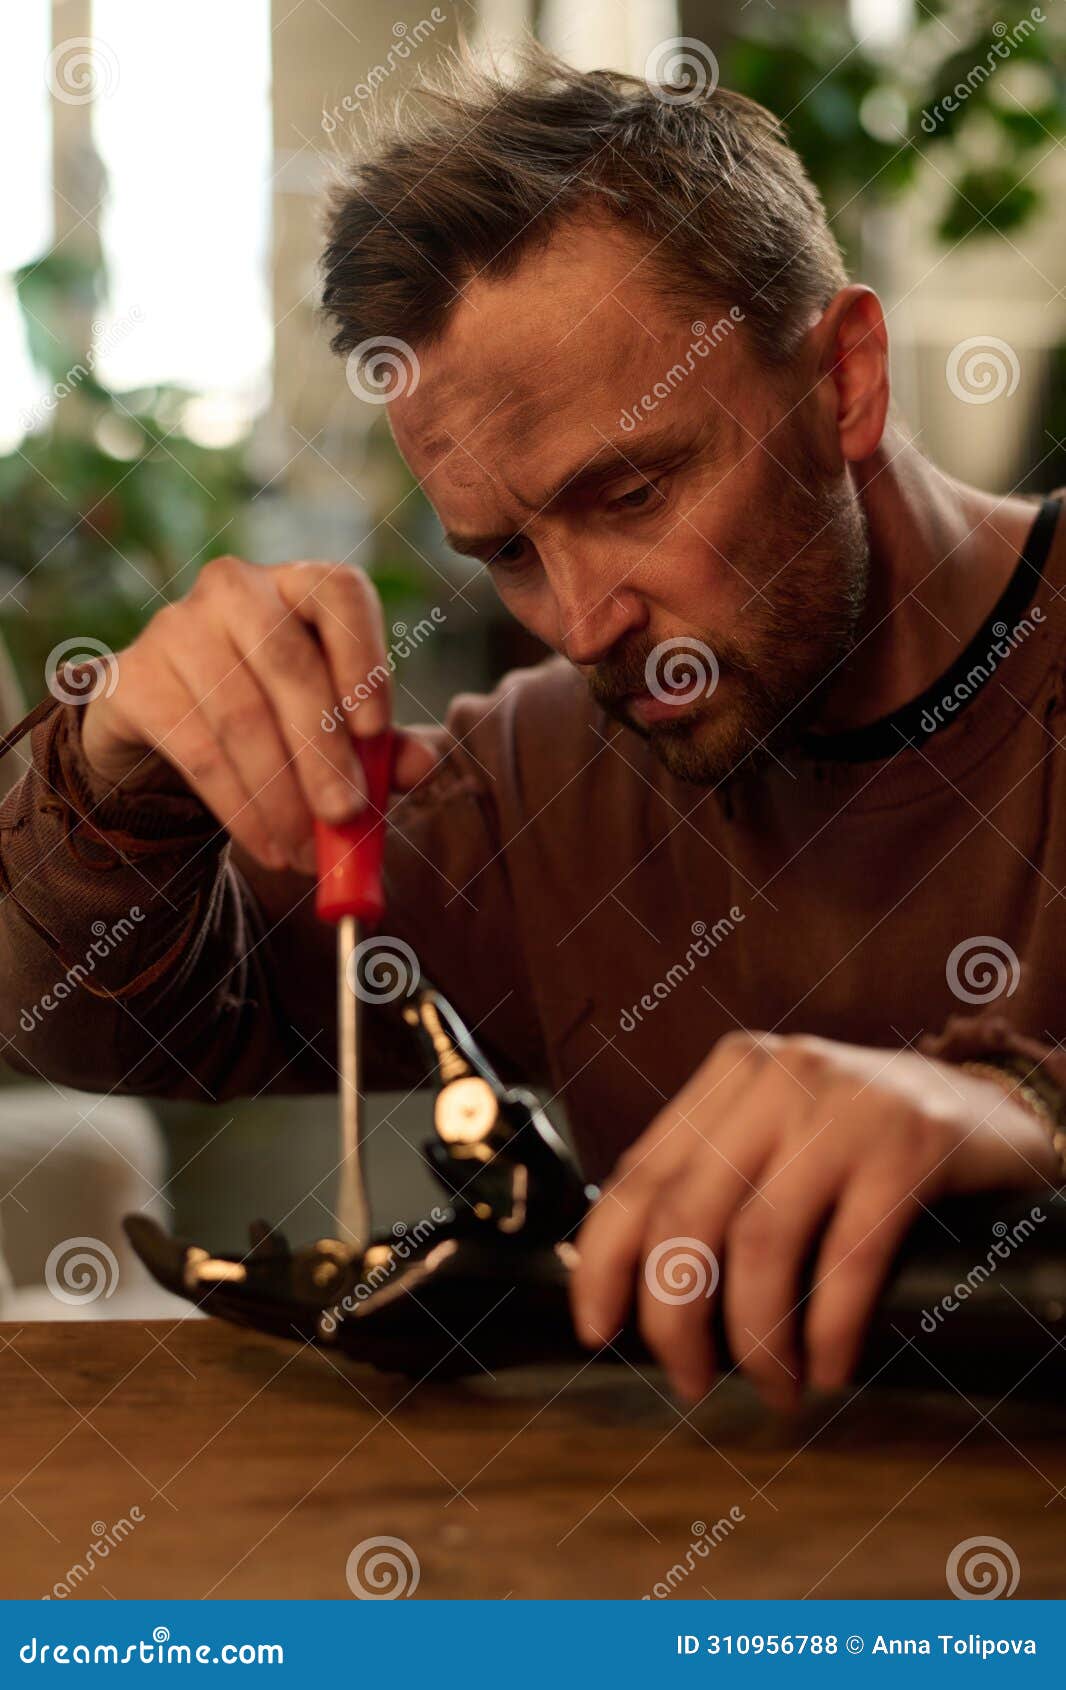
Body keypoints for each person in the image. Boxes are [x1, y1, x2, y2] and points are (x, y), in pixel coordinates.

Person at [2, 46, 1064, 1409]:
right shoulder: (545, 781)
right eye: (506, 550)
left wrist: (1024, 1113)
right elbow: (90, 1027)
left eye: (630, 493)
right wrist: (110, 783)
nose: (577, 618)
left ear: (844, 379)